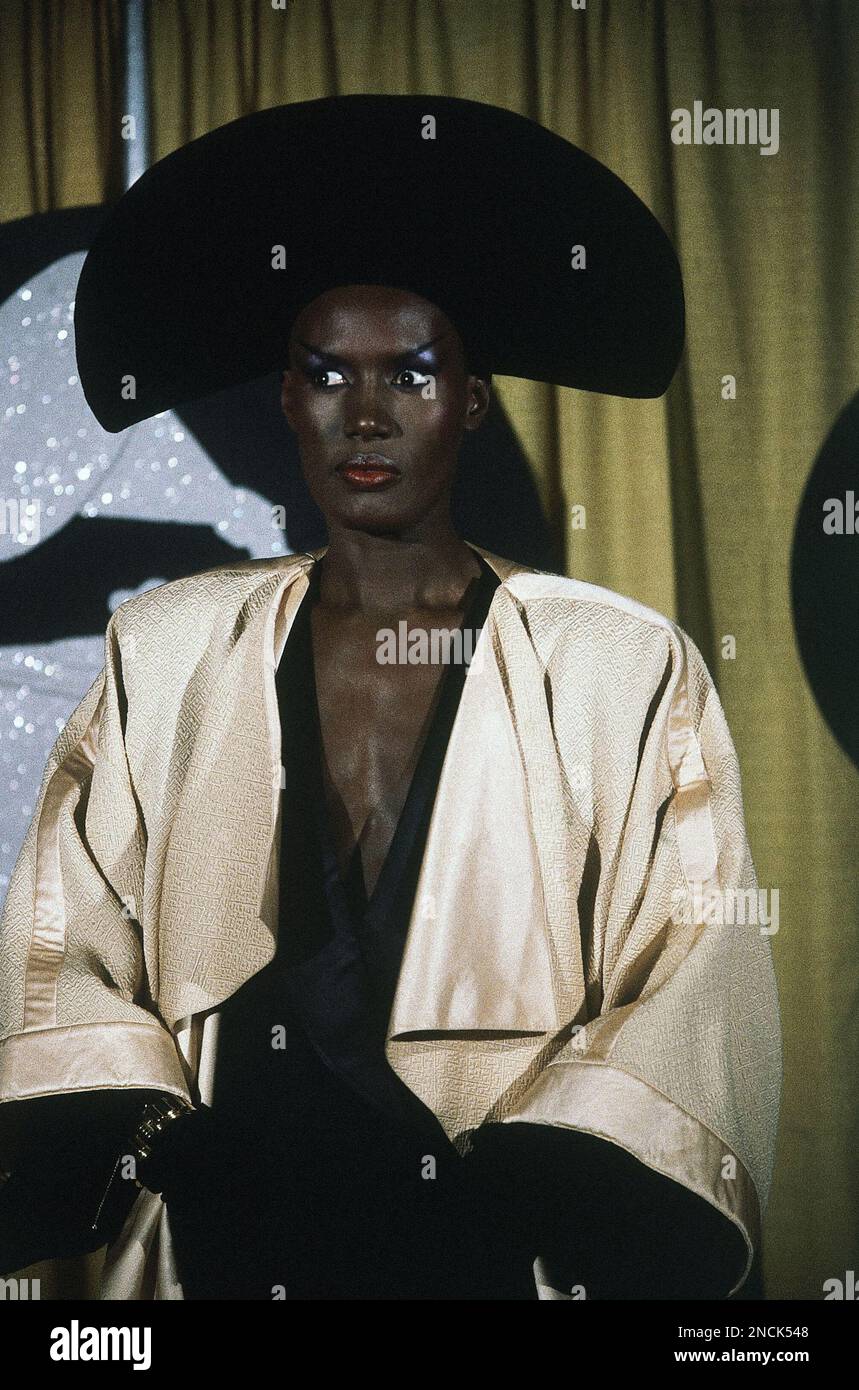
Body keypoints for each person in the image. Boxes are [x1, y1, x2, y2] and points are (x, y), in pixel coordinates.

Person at [0, 95, 781, 1300]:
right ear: (284, 402)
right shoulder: (165, 650)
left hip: (491, 1226)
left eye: (409, 374)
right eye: (326, 374)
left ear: (467, 402)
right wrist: (143, 1126)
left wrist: (563, 1169)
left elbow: (690, 948)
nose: (365, 414)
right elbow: (70, 925)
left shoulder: (617, 664)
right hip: (227, 1219)